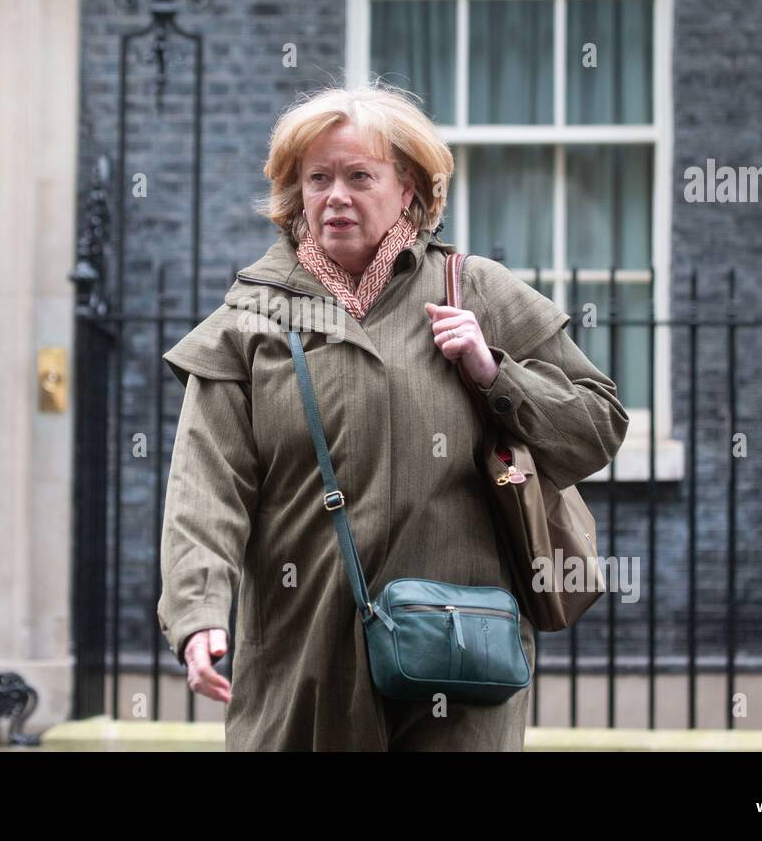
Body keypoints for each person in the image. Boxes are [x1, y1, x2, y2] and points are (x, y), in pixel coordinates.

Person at [156, 82, 629, 750]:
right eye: (317, 177)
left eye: (358, 175)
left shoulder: (474, 289)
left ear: (407, 187)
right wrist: (199, 610)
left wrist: (497, 375)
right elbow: (205, 489)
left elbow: (598, 427)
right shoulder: (251, 317)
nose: (335, 195)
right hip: (302, 660)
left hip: (459, 652)